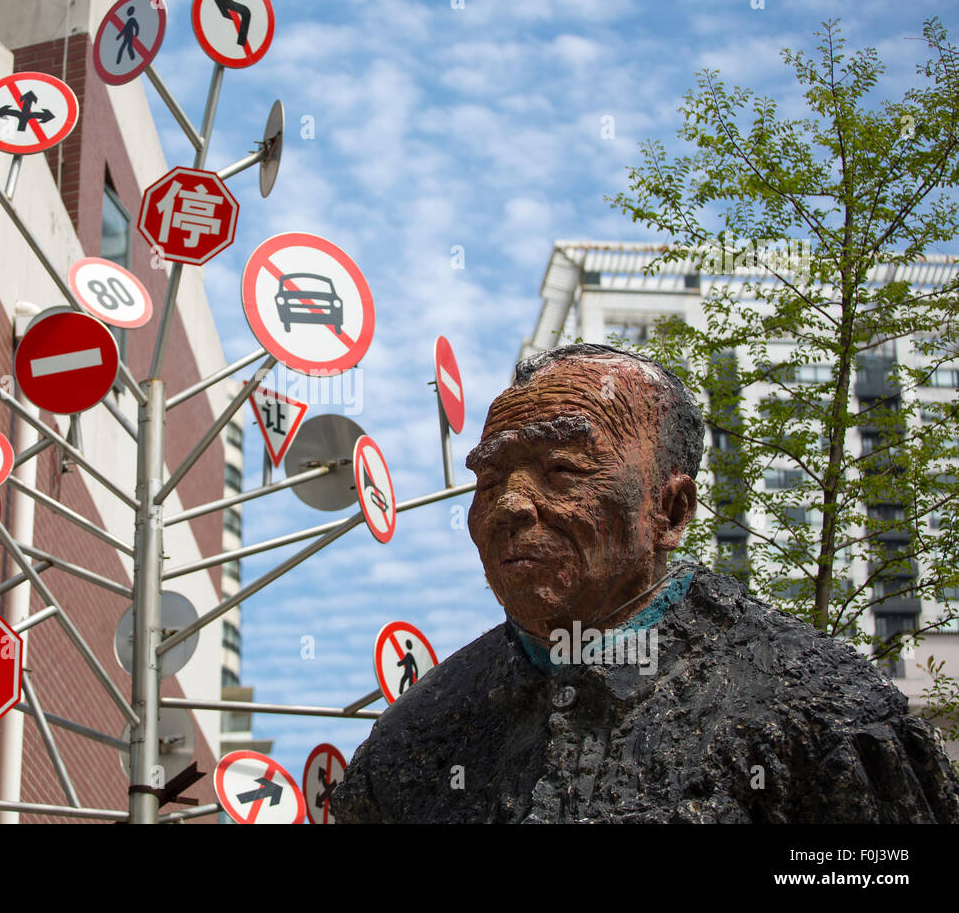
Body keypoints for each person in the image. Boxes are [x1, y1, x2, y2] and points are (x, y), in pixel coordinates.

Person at [331, 343, 959, 823]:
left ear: (671, 511)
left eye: (563, 469)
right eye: (491, 478)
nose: (511, 505)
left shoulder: (821, 712)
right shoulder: (411, 741)